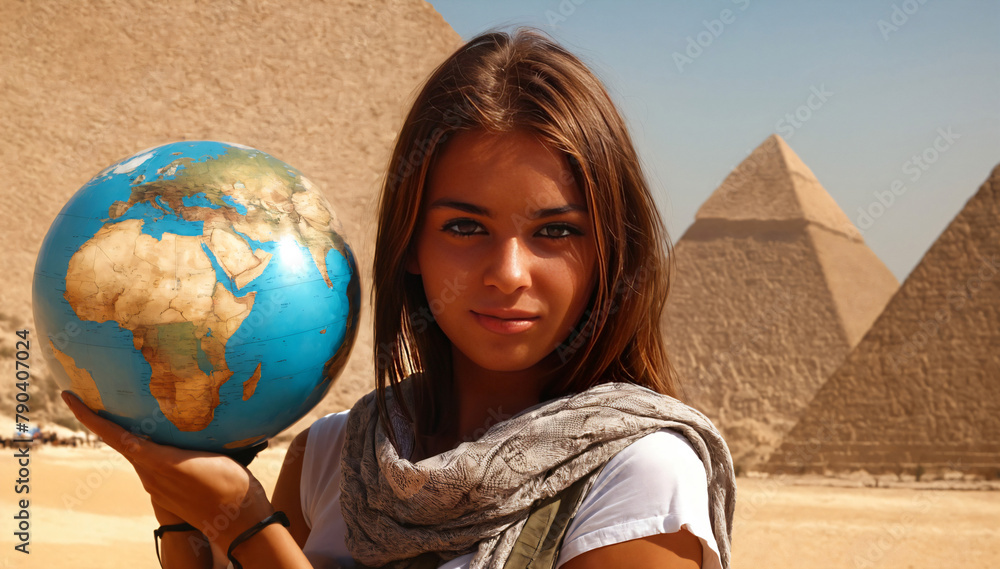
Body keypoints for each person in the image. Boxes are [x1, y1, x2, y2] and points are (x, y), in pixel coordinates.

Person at [63, 28, 735, 569]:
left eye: (555, 231)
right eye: (465, 227)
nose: (508, 272)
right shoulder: (330, 457)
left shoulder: (639, 477)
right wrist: (181, 512)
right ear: (411, 243)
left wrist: (248, 532)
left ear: (609, 252)